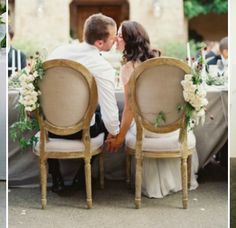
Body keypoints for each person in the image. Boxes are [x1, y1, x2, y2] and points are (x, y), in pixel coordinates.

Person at [106, 21, 198, 198]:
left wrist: (119, 137)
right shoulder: (161, 62)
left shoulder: (128, 68)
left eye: (119, 34)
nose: (115, 38)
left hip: (147, 130)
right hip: (173, 126)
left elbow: (130, 109)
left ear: (130, 39)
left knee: (131, 124)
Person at [47, 13, 120, 193]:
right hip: (81, 131)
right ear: (100, 43)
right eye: (113, 36)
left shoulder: (58, 52)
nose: (117, 39)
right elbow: (110, 114)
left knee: (45, 113)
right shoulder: (102, 67)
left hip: (50, 128)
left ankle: (56, 178)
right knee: (105, 120)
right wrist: (116, 133)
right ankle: (81, 177)